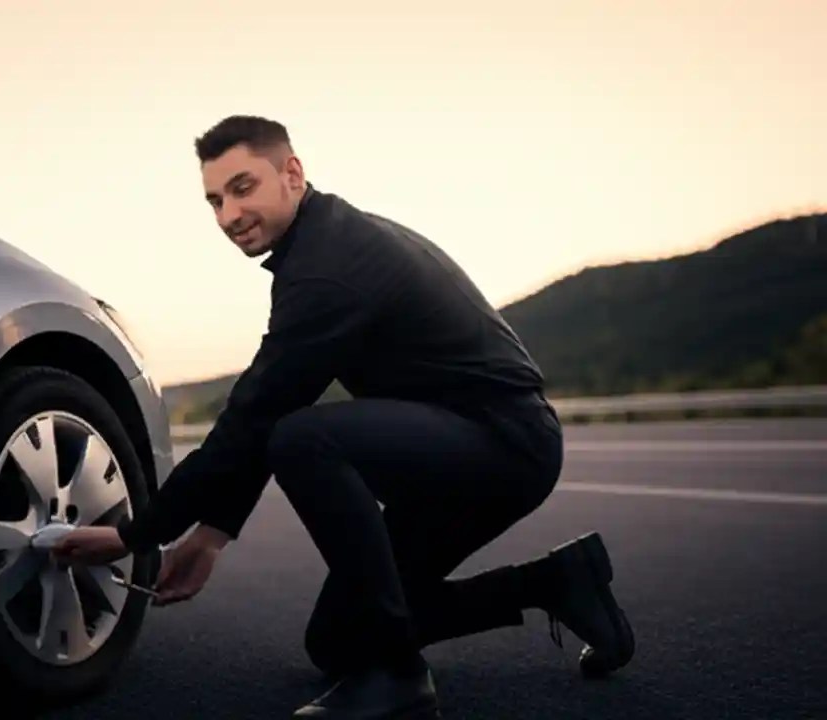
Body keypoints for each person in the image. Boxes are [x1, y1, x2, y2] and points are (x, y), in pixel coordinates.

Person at [52, 115, 635, 719]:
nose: (228, 216)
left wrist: (133, 534)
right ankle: (558, 583)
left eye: (243, 187)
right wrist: (212, 531)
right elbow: (273, 400)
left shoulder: (331, 265)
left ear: (292, 173)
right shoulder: (324, 243)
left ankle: (396, 676)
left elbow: (255, 416)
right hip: (454, 451)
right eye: (214, 200)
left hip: (502, 441)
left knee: (304, 440)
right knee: (336, 639)